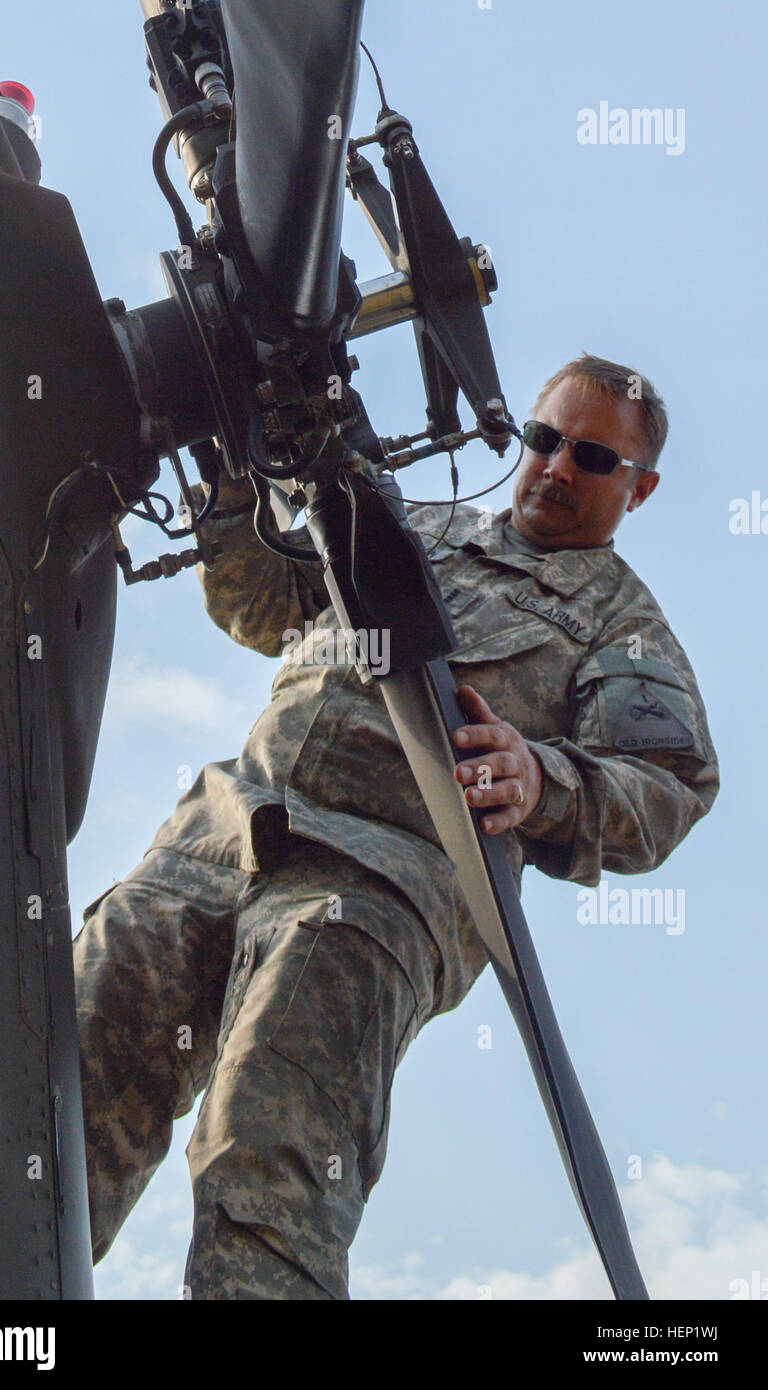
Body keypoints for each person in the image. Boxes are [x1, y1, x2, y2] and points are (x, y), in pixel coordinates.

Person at [73, 352, 719, 1299]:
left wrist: (544, 780)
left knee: (270, 1154)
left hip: (371, 894)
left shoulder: (620, 628)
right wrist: (228, 478)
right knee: (62, 1081)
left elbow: (667, 785)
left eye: (591, 457)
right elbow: (266, 603)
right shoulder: (407, 528)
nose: (556, 468)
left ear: (640, 487)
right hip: (221, 836)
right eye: (545, 440)